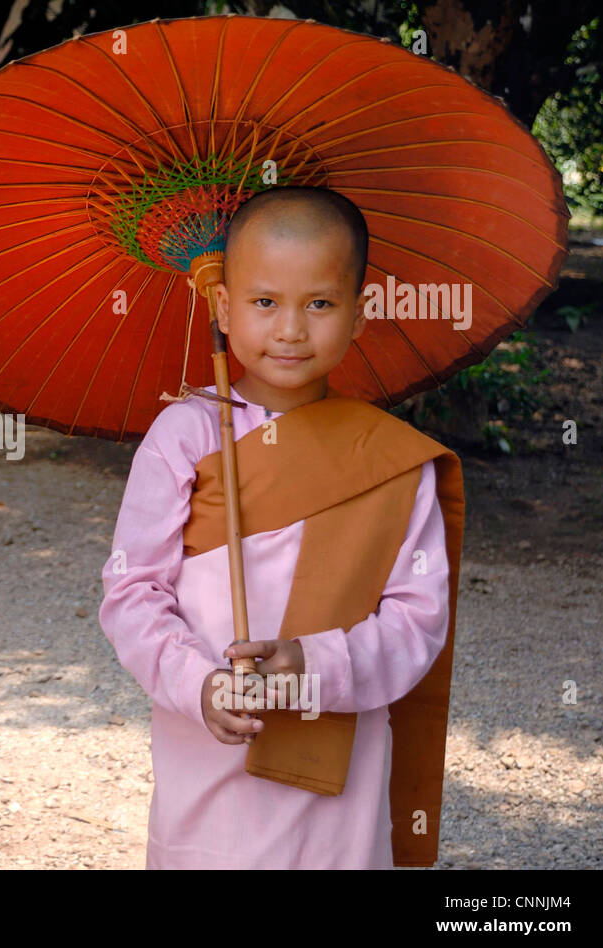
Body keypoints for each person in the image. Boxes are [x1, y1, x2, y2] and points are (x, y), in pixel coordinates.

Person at [99, 186, 464, 869]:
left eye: (319, 304)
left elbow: (418, 624)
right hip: (208, 749)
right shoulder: (186, 434)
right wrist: (196, 682)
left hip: (339, 783)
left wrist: (314, 663)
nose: (291, 330)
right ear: (223, 307)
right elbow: (130, 594)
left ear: (359, 315)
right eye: (265, 302)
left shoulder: (388, 459)